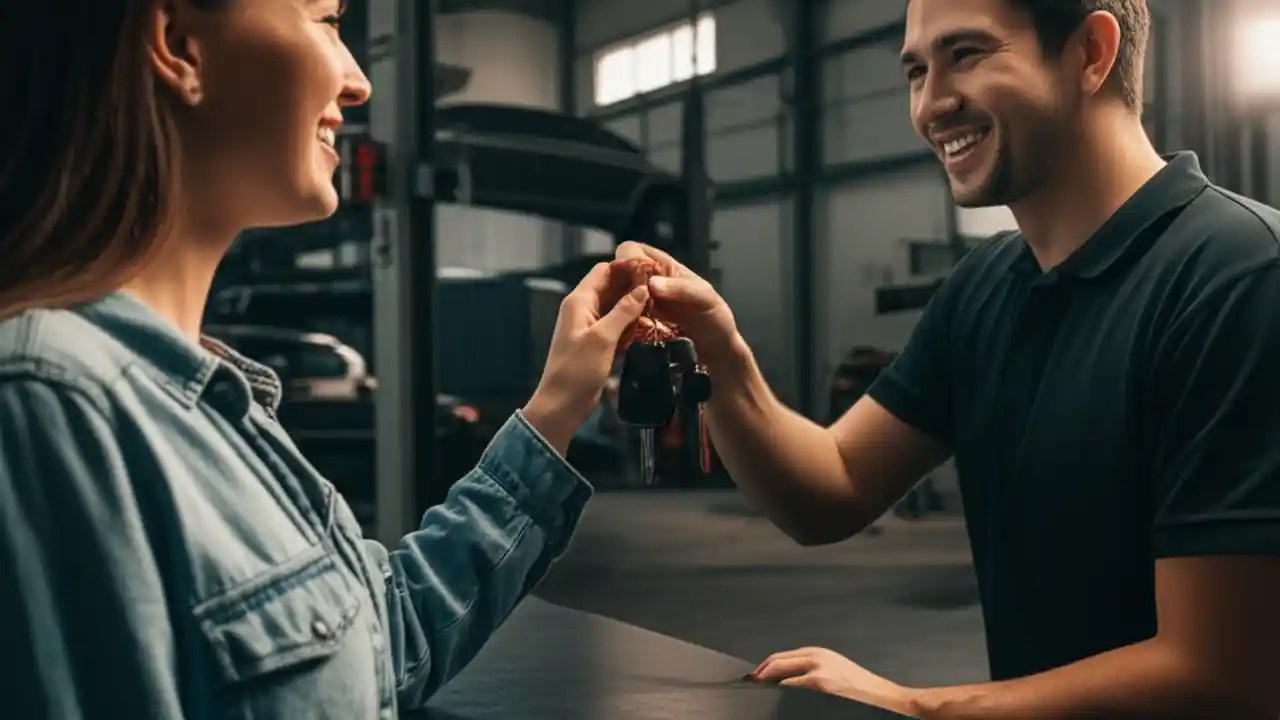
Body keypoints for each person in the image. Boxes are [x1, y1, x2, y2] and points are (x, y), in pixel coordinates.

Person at [618, 0, 1280, 716]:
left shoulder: (1239, 278)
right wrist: (718, 349)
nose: (930, 105)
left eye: (966, 54)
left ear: (1090, 52)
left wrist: (919, 707)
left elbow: (1225, 672)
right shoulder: (985, 286)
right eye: (915, 71)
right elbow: (832, 487)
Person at [0, 2, 651, 718]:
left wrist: (556, 407)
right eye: (327, 20)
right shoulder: (48, 406)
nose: (358, 82)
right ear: (179, 44)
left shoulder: (211, 407)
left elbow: (382, 641)